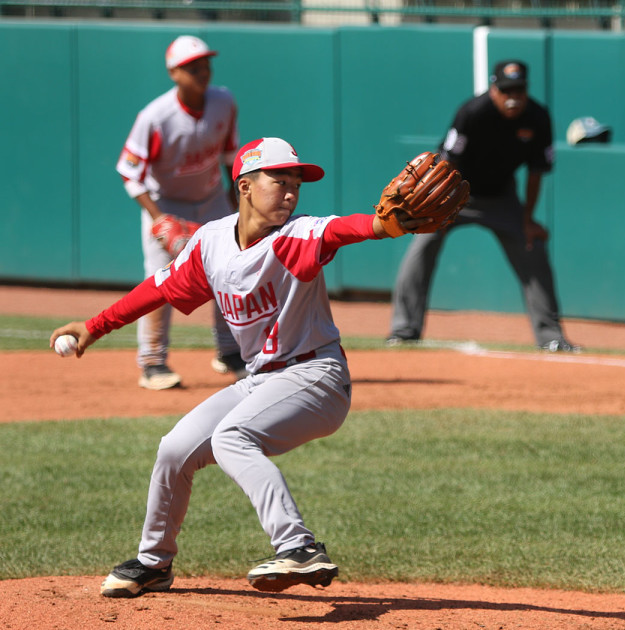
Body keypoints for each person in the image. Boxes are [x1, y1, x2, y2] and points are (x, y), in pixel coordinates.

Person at [51, 137, 433, 597]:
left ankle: (299, 547)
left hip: (317, 379)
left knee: (232, 437)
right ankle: (154, 563)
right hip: (261, 380)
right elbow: (158, 288)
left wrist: (382, 225)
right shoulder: (210, 242)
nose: (291, 192)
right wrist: (94, 325)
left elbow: (343, 230)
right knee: (175, 449)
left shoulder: (297, 236)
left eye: (296, 183)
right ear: (245, 186)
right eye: (280, 180)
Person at [387, 60, 579, 352]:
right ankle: (403, 331)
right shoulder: (472, 113)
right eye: (506, 90)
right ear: (493, 89)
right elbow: (447, 162)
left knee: (532, 248)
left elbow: (537, 171)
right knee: (421, 247)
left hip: (502, 197)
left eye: (518, 90)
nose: (512, 97)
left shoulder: (538, 117)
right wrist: (435, 205)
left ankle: (551, 336)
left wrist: (528, 219)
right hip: (454, 194)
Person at [116, 34, 243, 390]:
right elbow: (129, 173)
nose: (201, 71)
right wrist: (158, 219)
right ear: (173, 72)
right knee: (160, 282)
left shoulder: (224, 102)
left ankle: (230, 353)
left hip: (213, 200)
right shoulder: (155, 117)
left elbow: (230, 158)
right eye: (191, 66)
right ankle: (153, 363)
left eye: (204, 63)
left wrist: (238, 211)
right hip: (166, 203)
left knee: (231, 271)